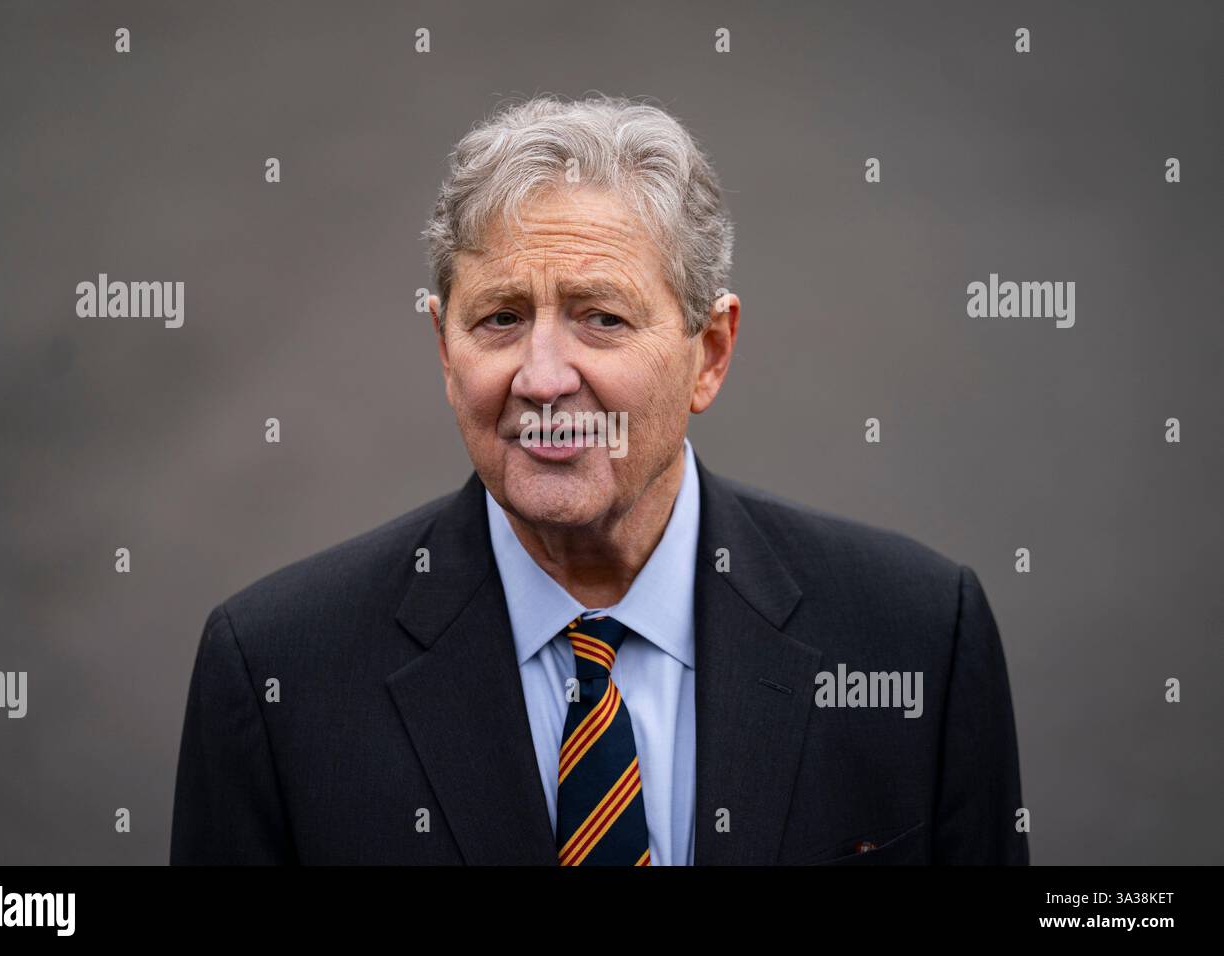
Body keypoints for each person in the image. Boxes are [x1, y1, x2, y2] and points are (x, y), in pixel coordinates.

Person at [171, 94, 1027, 865]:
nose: (543, 378)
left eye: (602, 318)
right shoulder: (278, 673)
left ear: (711, 353)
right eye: (500, 319)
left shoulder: (914, 637)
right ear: (444, 349)